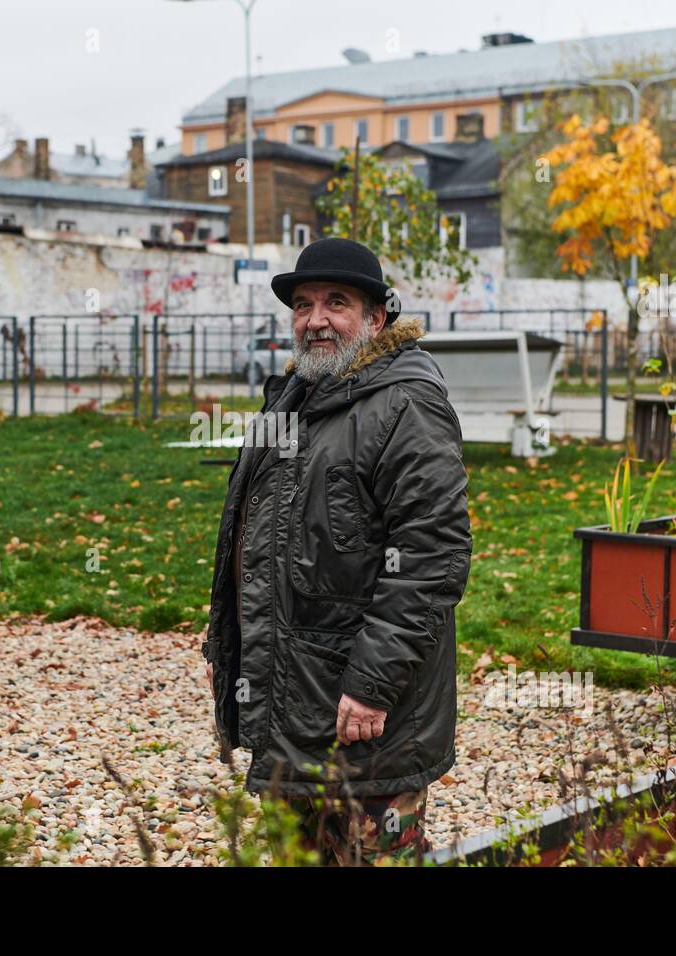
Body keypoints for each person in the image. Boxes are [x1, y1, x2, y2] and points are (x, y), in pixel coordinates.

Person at [202, 237, 472, 865]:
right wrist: (228, 647)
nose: (315, 320)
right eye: (302, 304)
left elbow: (432, 556)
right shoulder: (294, 401)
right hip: (290, 703)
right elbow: (252, 541)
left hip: (367, 716)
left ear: (376, 317)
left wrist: (374, 682)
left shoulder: (406, 403)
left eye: (336, 303)